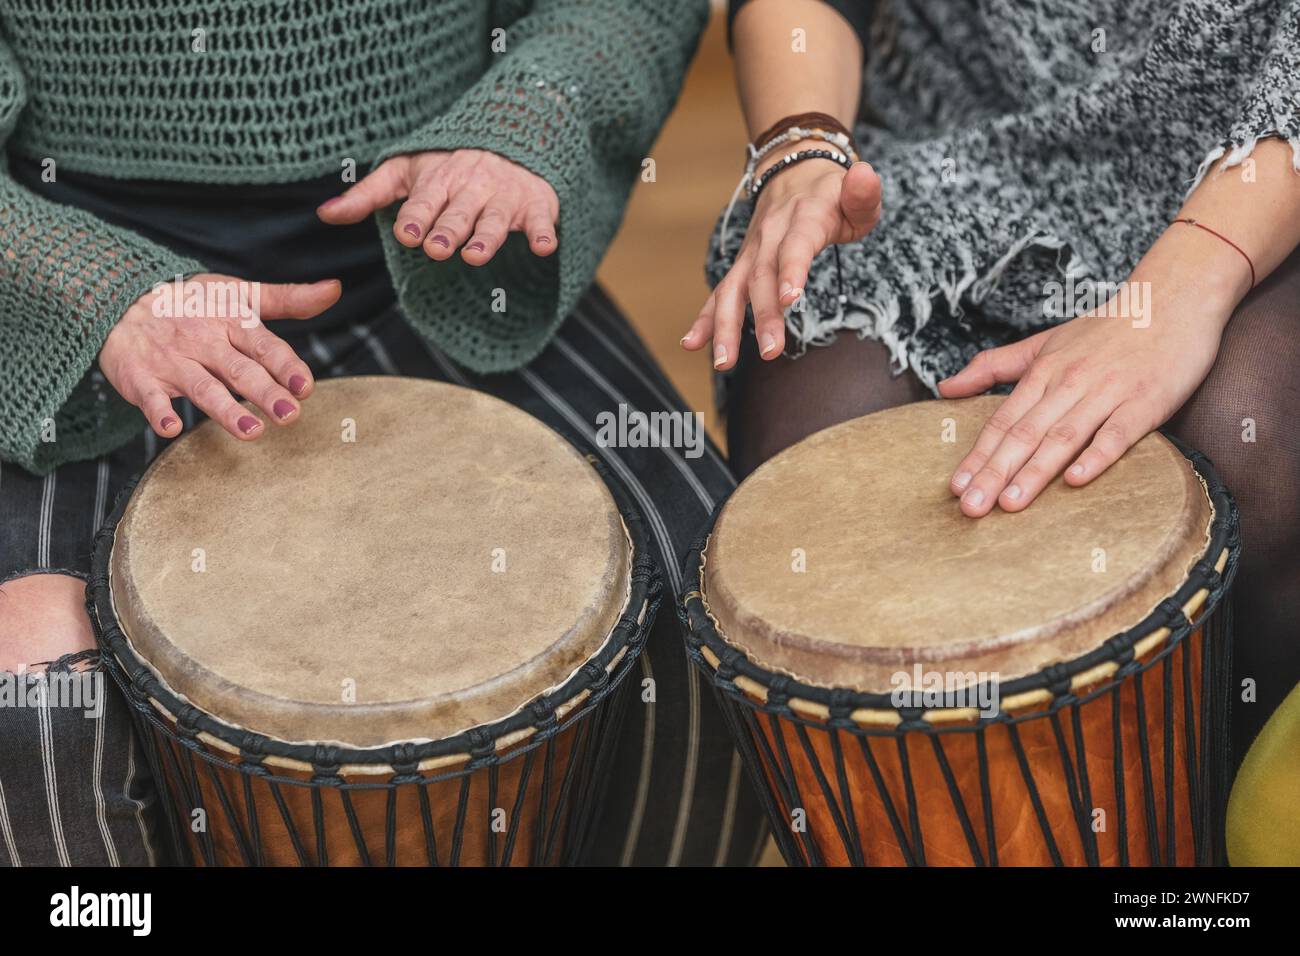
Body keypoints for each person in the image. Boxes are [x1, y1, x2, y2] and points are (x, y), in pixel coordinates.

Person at [0, 0, 765, 867]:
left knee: (704, 599)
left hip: (441, 259)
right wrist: (87, 286)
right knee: (34, 694)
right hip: (80, 302)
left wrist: (529, 108)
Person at [686, 0, 1300, 763]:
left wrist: (1189, 281)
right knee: (814, 459)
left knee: (1247, 445)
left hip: (1260, 164)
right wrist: (802, 147)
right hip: (948, 152)